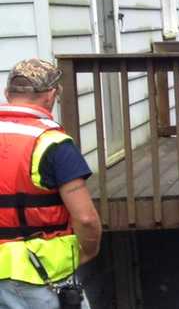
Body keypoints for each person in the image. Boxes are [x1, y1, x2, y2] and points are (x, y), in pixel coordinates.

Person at [0, 59, 101, 308]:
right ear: (51, 95)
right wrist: (89, 250)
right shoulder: (53, 144)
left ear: (7, 93)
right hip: (36, 274)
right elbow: (86, 219)